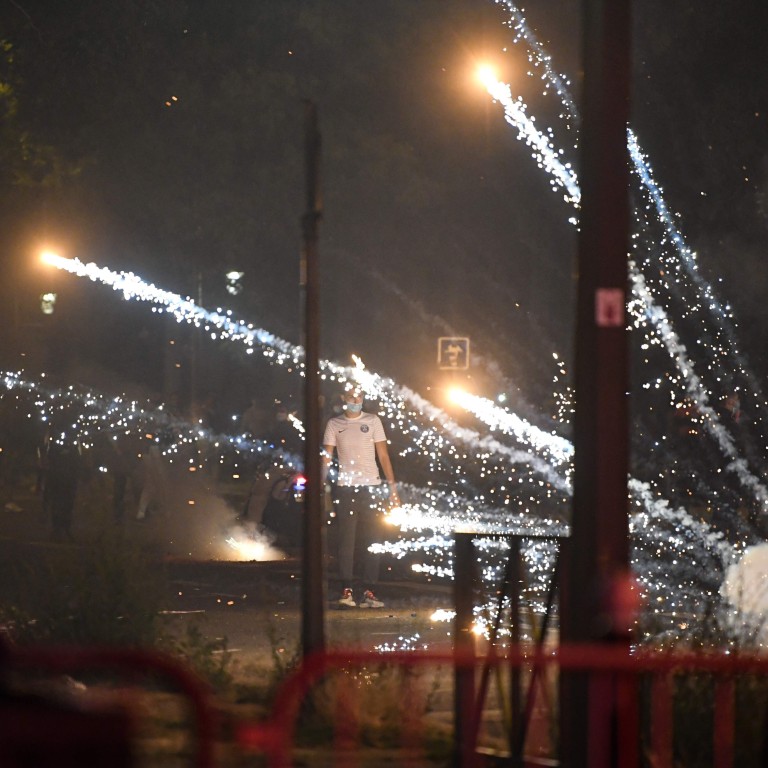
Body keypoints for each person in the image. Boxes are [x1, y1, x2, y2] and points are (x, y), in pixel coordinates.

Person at [322, 387, 400, 608]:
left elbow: (383, 455)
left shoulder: (373, 421)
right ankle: (346, 589)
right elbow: (327, 457)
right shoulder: (334, 424)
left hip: (372, 487)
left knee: (372, 539)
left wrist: (392, 488)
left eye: (359, 397)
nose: (356, 400)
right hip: (346, 488)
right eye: (351, 397)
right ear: (343, 399)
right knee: (347, 540)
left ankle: (369, 590)